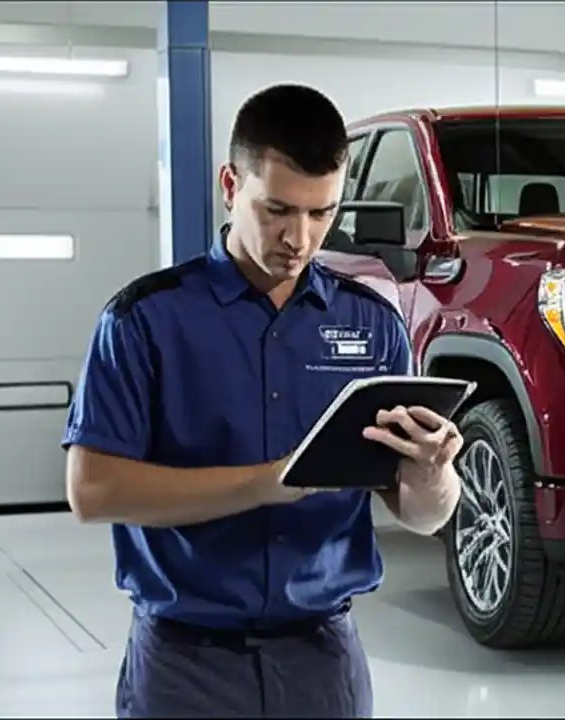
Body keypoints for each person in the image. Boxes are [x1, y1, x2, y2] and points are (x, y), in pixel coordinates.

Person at [61, 83, 463, 718]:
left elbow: (420, 516)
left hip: (325, 661)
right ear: (230, 186)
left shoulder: (373, 324)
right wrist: (269, 483)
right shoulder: (144, 321)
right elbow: (93, 492)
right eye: (277, 210)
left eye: (321, 213)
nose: (299, 238)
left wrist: (434, 475)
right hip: (185, 665)